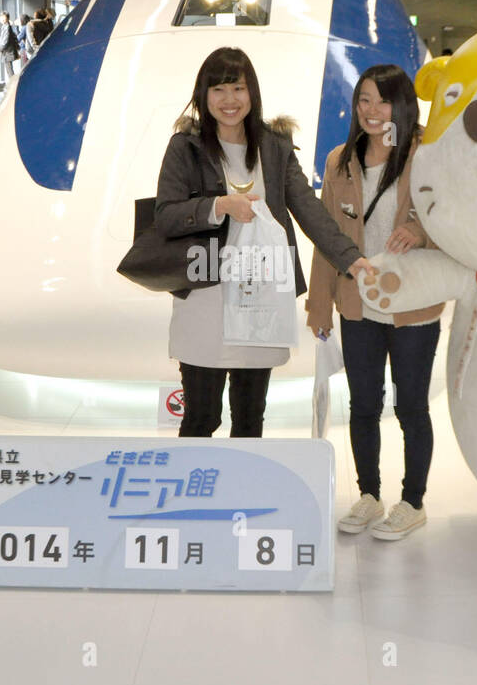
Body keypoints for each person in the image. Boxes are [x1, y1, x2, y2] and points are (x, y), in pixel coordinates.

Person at [155, 47, 374, 438]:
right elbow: (167, 215)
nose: (229, 100)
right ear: (203, 96)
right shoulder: (184, 148)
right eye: (218, 89)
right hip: (205, 301)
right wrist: (218, 205)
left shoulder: (274, 147)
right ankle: (196, 496)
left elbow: (308, 209)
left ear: (252, 93)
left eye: (237, 88)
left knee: (250, 419)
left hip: (260, 300)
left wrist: (350, 259)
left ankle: (240, 495)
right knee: (201, 418)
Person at [306, 65, 444, 540]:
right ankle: (368, 494)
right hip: (357, 304)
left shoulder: (428, 155)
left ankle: (413, 501)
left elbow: (453, 219)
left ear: (401, 105)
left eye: (382, 101)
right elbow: (326, 236)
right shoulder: (340, 160)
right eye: (363, 100)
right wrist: (319, 305)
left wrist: (421, 232)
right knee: (363, 404)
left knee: (411, 408)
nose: (371, 111)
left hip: (413, 306)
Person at [0, 11, 19, 80]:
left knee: (9, 70)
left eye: (3, 17)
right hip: (7, 52)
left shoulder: (7, 27)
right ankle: (13, 84)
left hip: (8, 52)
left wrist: (0, 48)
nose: (2, 19)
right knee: (9, 70)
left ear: (7, 18)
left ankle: (13, 85)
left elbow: (5, 40)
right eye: (1, 17)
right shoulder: (5, 26)